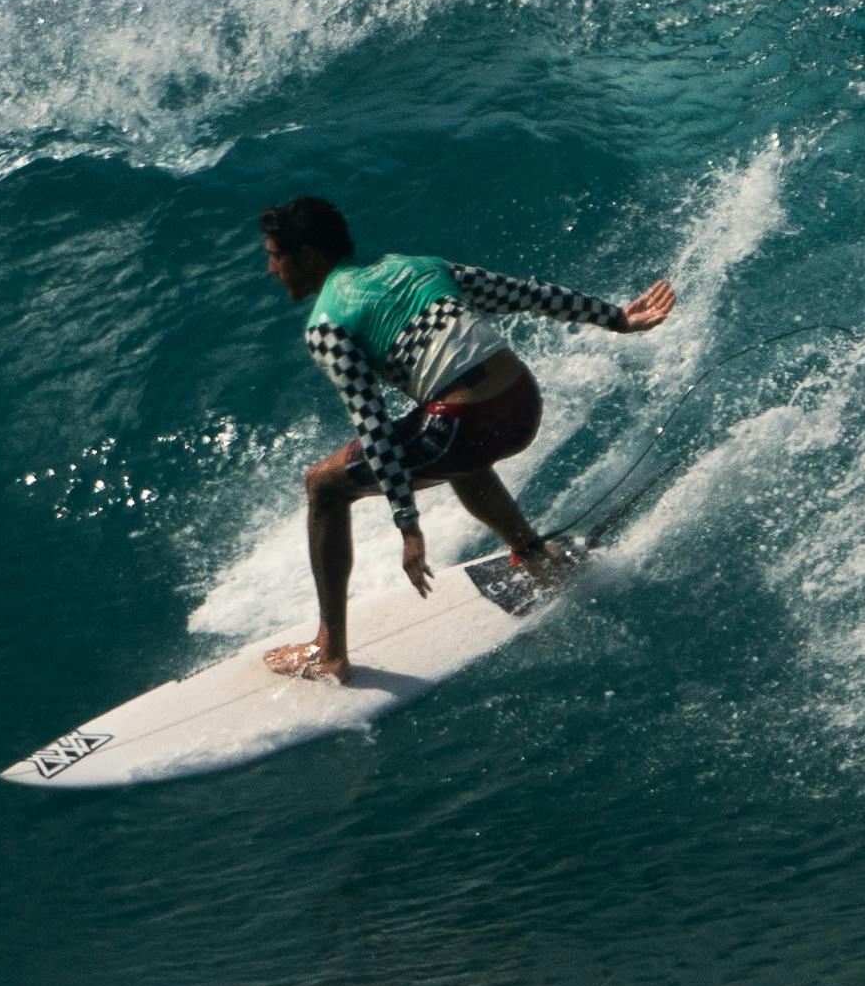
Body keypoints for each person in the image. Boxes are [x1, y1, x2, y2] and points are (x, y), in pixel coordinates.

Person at [250, 195, 671, 682]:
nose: (270, 268)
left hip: (465, 425)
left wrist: (408, 525)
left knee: (323, 485)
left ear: (306, 256)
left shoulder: (327, 325)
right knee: (448, 446)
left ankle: (330, 652)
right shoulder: (415, 266)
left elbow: (373, 422)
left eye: (275, 255)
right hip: (521, 401)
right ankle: (534, 556)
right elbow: (523, 293)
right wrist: (616, 317)